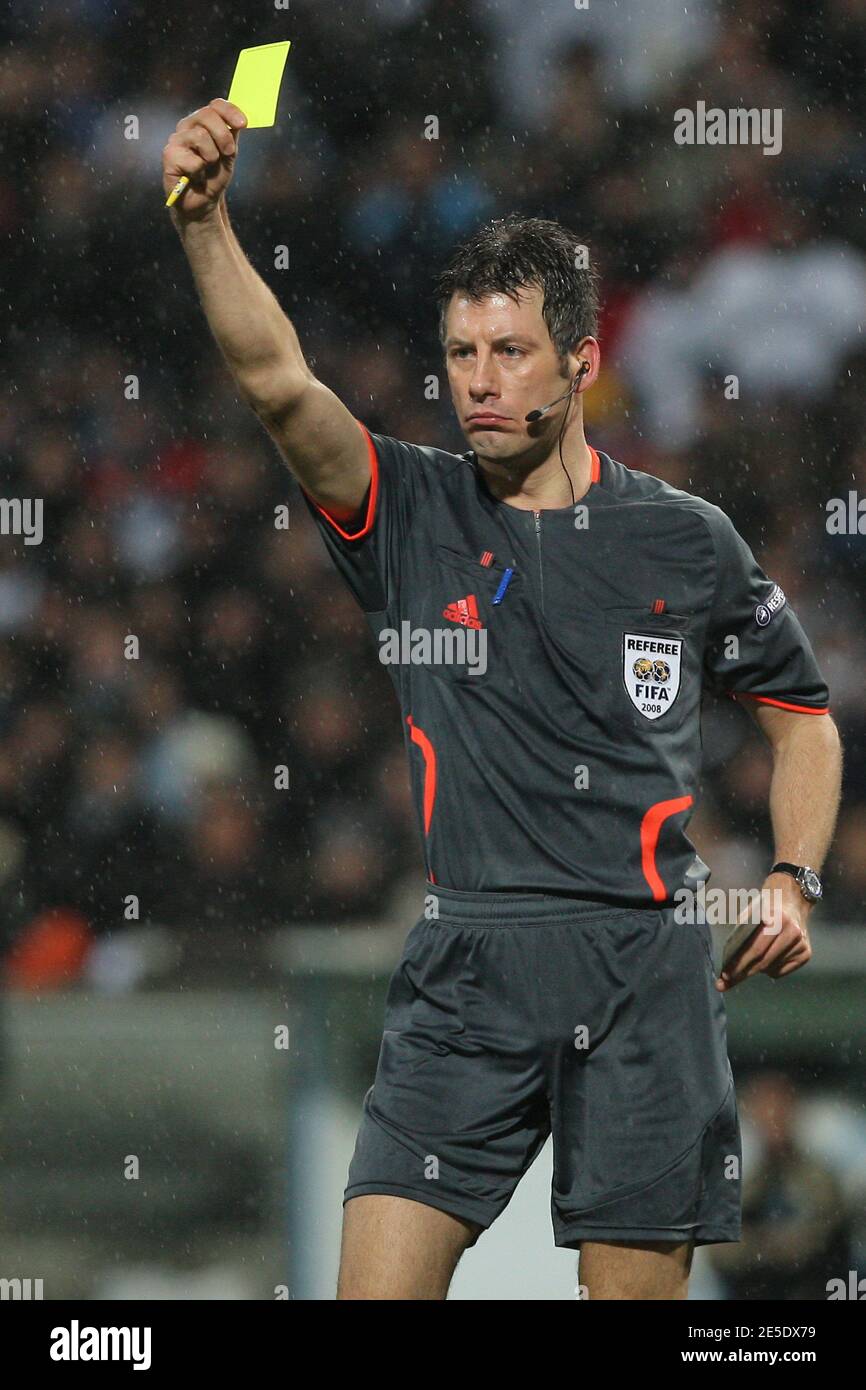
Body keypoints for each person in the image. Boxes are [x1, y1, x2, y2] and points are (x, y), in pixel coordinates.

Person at [163, 99, 843, 1300]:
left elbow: (800, 716)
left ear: (579, 360)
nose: (476, 383)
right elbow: (277, 382)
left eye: (509, 353)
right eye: (460, 355)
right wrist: (209, 225)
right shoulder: (409, 513)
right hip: (465, 965)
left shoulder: (684, 542)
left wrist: (792, 872)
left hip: (643, 967)